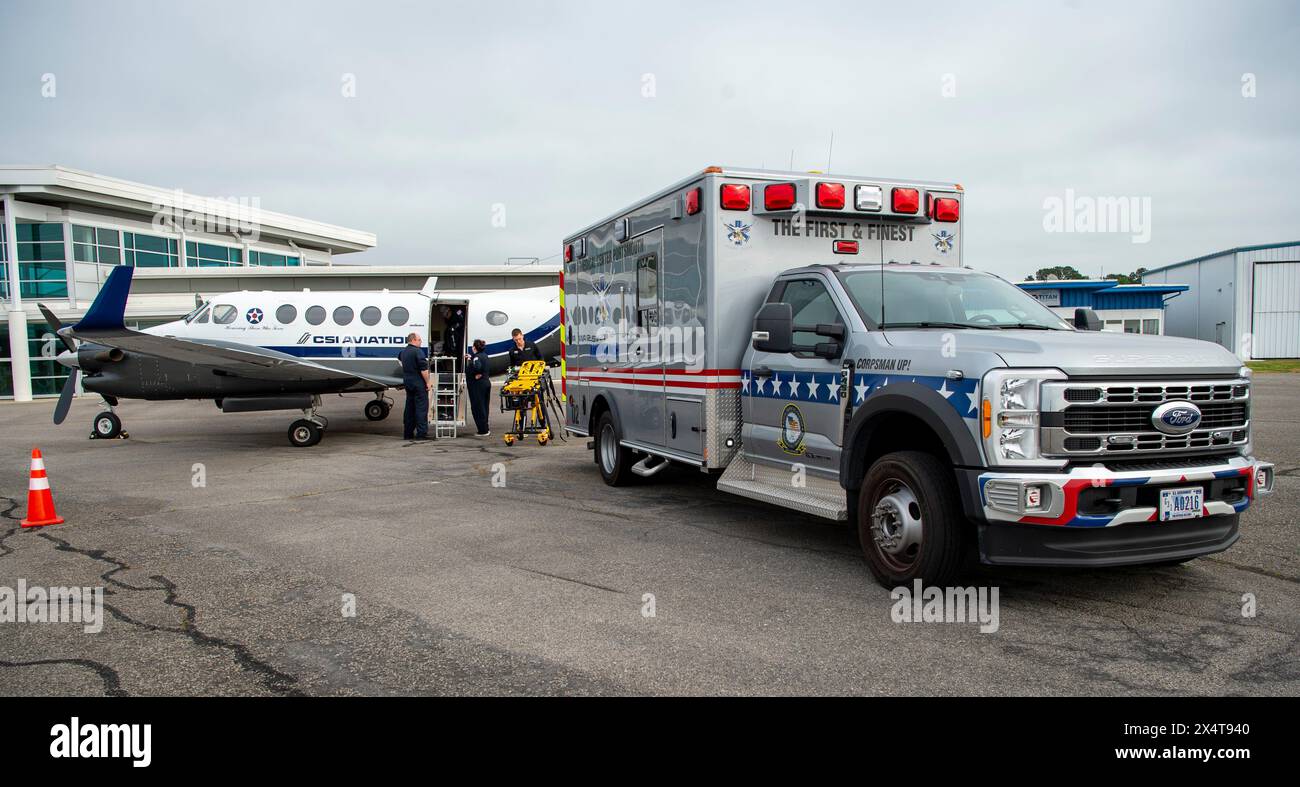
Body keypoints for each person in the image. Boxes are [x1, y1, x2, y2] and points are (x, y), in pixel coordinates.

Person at [398, 332, 431, 440]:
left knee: (409, 408)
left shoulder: (403, 352)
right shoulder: (418, 352)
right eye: (419, 340)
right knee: (421, 408)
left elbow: (400, 361)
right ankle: (421, 434)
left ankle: (408, 433)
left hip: (408, 382)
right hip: (418, 383)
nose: (421, 342)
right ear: (413, 340)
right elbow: (424, 370)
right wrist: (427, 382)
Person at [465, 338, 491, 437]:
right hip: (486, 383)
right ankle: (485, 427)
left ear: (474, 348)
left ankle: (482, 430)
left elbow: (478, 367)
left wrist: (477, 373)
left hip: (477, 385)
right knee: (484, 406)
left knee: (477, 407)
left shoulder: (476, 358)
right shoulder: (484, 356)